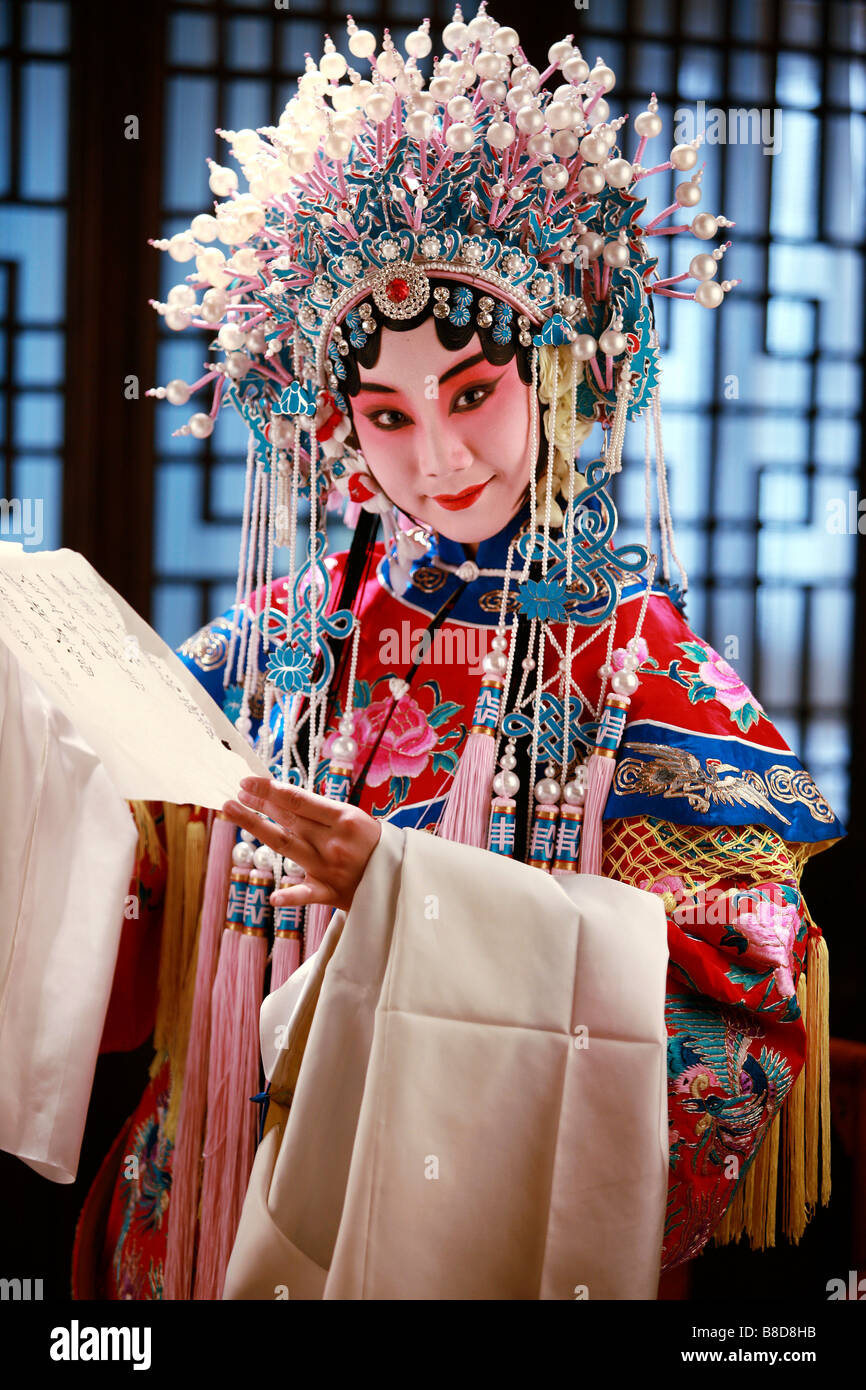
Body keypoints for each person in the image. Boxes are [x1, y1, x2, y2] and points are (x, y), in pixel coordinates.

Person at [74, 5, 841, 1299]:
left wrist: (415, 899)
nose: (435, 457)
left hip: (455, 1237)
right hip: (206, 1216)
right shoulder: (263, 649)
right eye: (386, 413)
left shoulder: (637, 672)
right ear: (335, 428)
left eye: (473, 393)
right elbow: (114, 921)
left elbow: (727, 1016)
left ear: (559, 376)